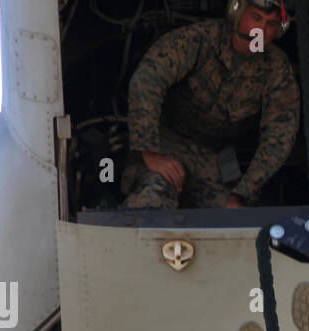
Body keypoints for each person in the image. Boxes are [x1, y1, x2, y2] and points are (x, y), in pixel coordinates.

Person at [122, 0, 299, 209]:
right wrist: (149, 153)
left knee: (236, 220)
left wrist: (243, 192)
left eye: (271, 24)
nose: (262, 30)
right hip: (165, 144)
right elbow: (147, 79)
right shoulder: (202, 39)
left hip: (215, 159)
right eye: (256, 18)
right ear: (237, 14)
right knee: (152, 200)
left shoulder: (276, 67)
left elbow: (281, 134)